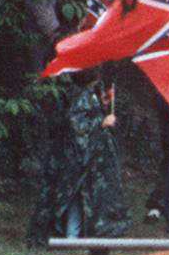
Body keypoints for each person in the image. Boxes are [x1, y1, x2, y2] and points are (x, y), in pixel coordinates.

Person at [27, 76, 131, 243]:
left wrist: (102, 105)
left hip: (89, 156)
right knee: (73, 193)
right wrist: (102, 122)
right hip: (77, 157)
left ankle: (77, 234)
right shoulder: (80, 95)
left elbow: (85, 115)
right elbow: (76, 124)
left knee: (83, 193)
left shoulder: (88, 94)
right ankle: (70, 235)